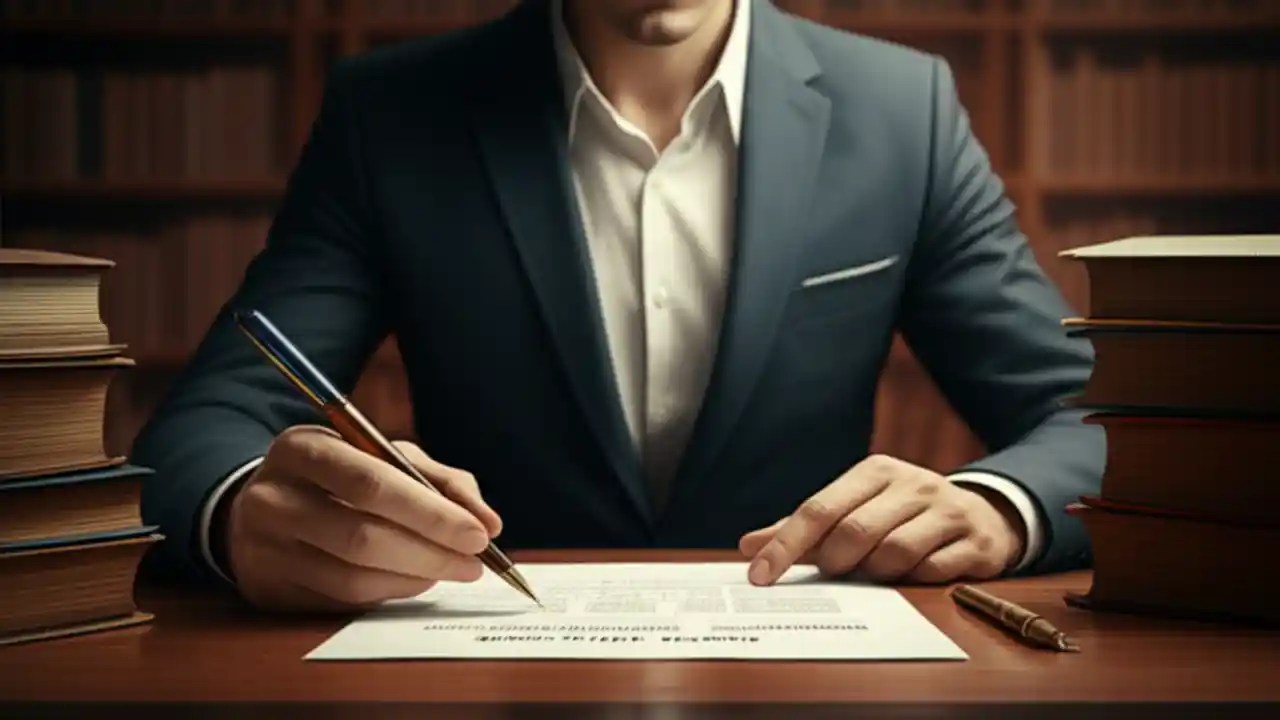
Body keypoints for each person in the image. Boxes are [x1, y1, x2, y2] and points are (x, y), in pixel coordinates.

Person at [132, 0, 1103, 612]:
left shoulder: (901, 109)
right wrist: (241, 515)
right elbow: (202, 430)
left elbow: (1090, 421)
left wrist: (995, 507)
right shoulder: (389, 115)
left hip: (812, 663)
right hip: (490, 659)